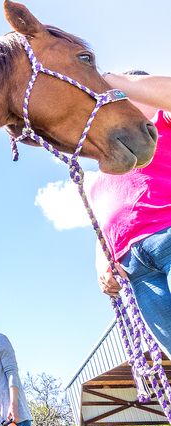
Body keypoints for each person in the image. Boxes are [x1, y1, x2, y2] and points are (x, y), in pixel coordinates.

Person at [92, 72, 171, 355]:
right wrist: (101, 262)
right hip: (137, 271)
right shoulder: (108, 164)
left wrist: (115, 82)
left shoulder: (163, 120)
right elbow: (101, 223)